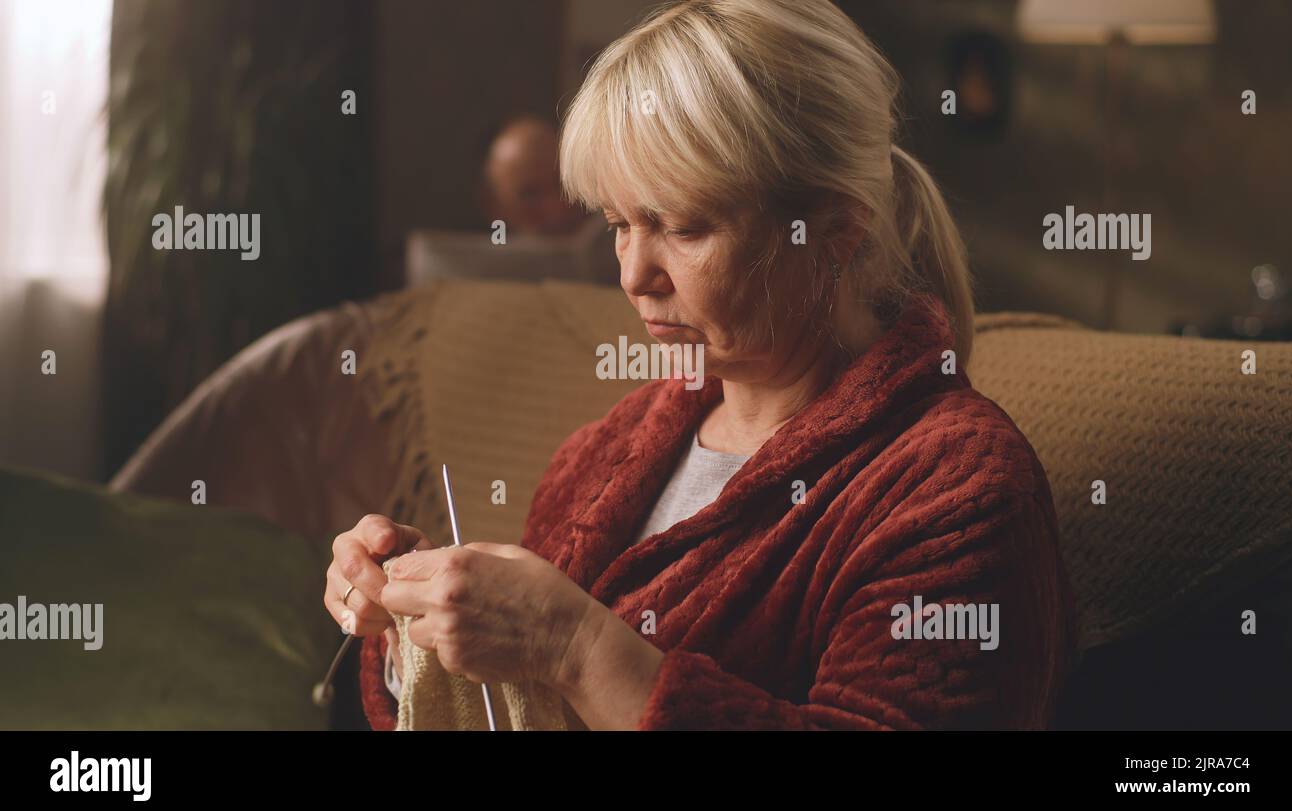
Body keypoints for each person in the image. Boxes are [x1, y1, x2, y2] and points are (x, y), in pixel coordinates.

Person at [324, 0, 1076, 730]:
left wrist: (576, 645)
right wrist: (420, 624)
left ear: (838, 228)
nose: (633, 274)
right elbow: (518, 708)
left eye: (683, 226)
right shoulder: (608, 448)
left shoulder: (957, 487)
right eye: (619, 224)